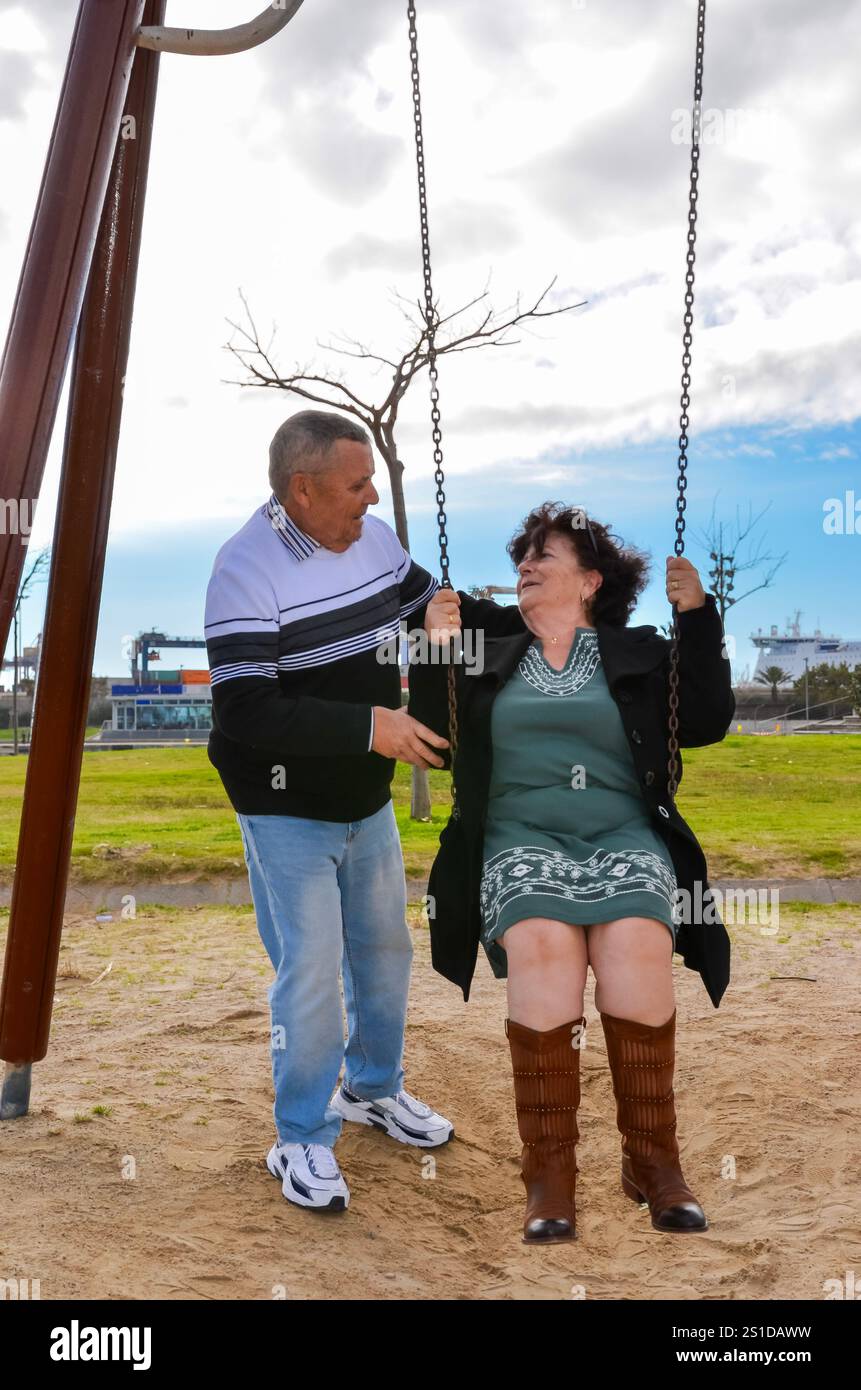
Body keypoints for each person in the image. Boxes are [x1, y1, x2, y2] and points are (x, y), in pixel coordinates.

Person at [203, 409, 524, 1213]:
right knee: (311, 974)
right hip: (281, 808)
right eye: (356, 485)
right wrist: (370, 727)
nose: (371, 499)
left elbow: (426, 608)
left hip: (364, 800)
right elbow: (244, 712)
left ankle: (371, 1090)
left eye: (373, 482)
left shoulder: (372, 543)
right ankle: (301, 1138)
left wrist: (462, 619)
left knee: (383, 952)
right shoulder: (244, 569)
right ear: (301, 489)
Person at [408, 501, 735, 1244]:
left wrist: (697, 618)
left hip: (621, 831)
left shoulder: (640, 653)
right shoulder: (486, 649)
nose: (524, 566)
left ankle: (653, 1164)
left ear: (588, 581)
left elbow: (708, 720)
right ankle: (549, 1174)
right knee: (543, 944)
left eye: (543, 556)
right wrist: (433, 648)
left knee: (636, 945)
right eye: (521, 557)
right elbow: (436, 741)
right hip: (519, 835)